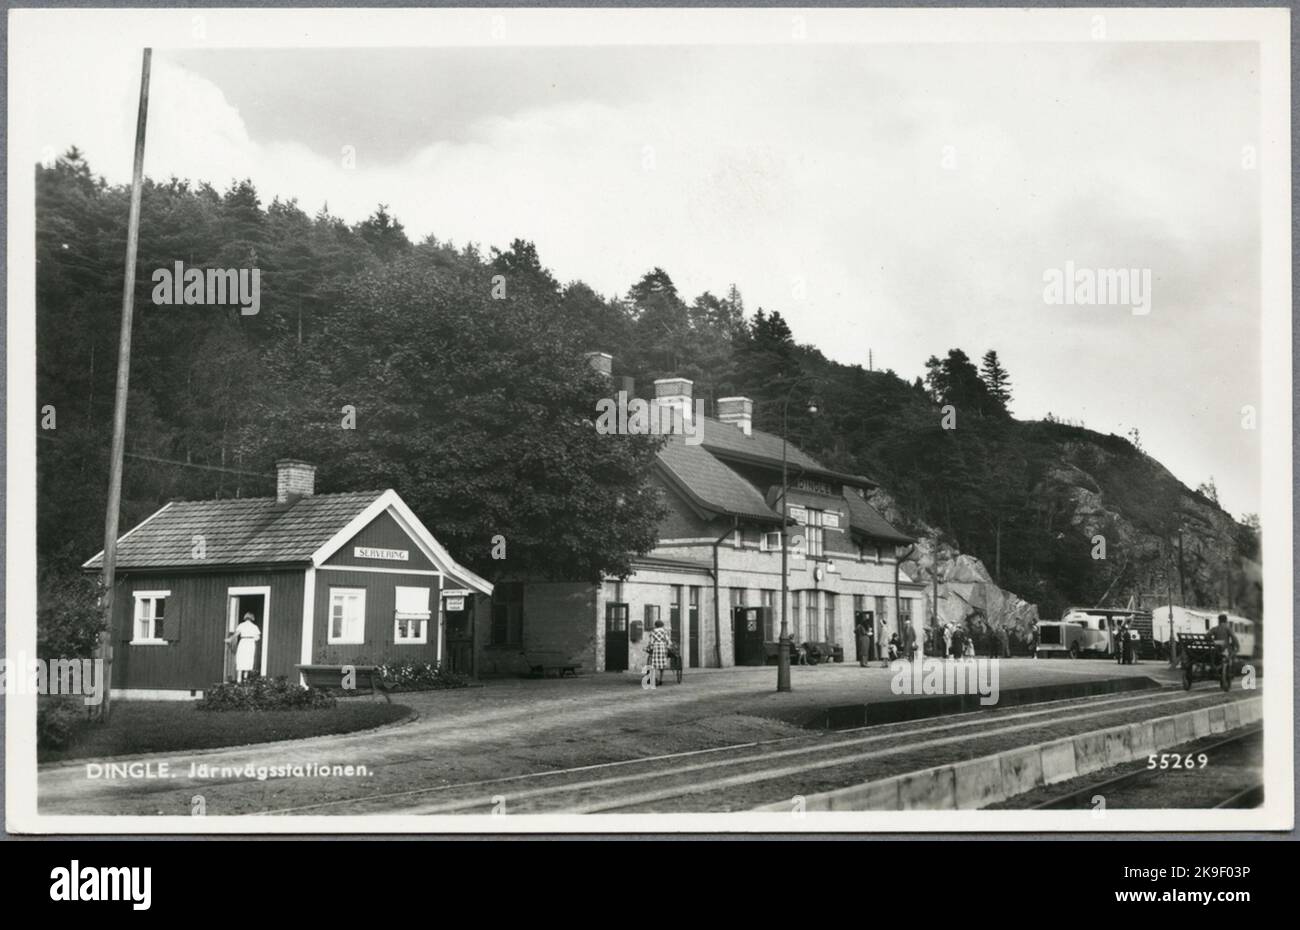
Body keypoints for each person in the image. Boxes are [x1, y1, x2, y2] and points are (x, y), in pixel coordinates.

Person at [226, 611, 261, 683]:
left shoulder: (241, 625)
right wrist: (252, 639)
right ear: (252, 618)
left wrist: (229, 639)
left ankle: (239, 679)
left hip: (243, 642)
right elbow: (257, 637)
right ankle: (245, 679)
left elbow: (236, 634)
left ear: (245, 617)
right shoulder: (254, 627)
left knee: (241, 659)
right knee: (248, 660)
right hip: (250, 643)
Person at [644, 619, 674, 686]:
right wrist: (669, 646)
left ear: (655, 625)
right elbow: (668, 641)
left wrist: (649, 648)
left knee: (654, 664)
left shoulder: (653, 632)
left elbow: (651, 642)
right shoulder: (664, 632)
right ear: (662, 625)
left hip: (655, 648)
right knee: (662, 665)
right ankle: (661, 679)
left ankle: (655, 679)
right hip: (663, 648)